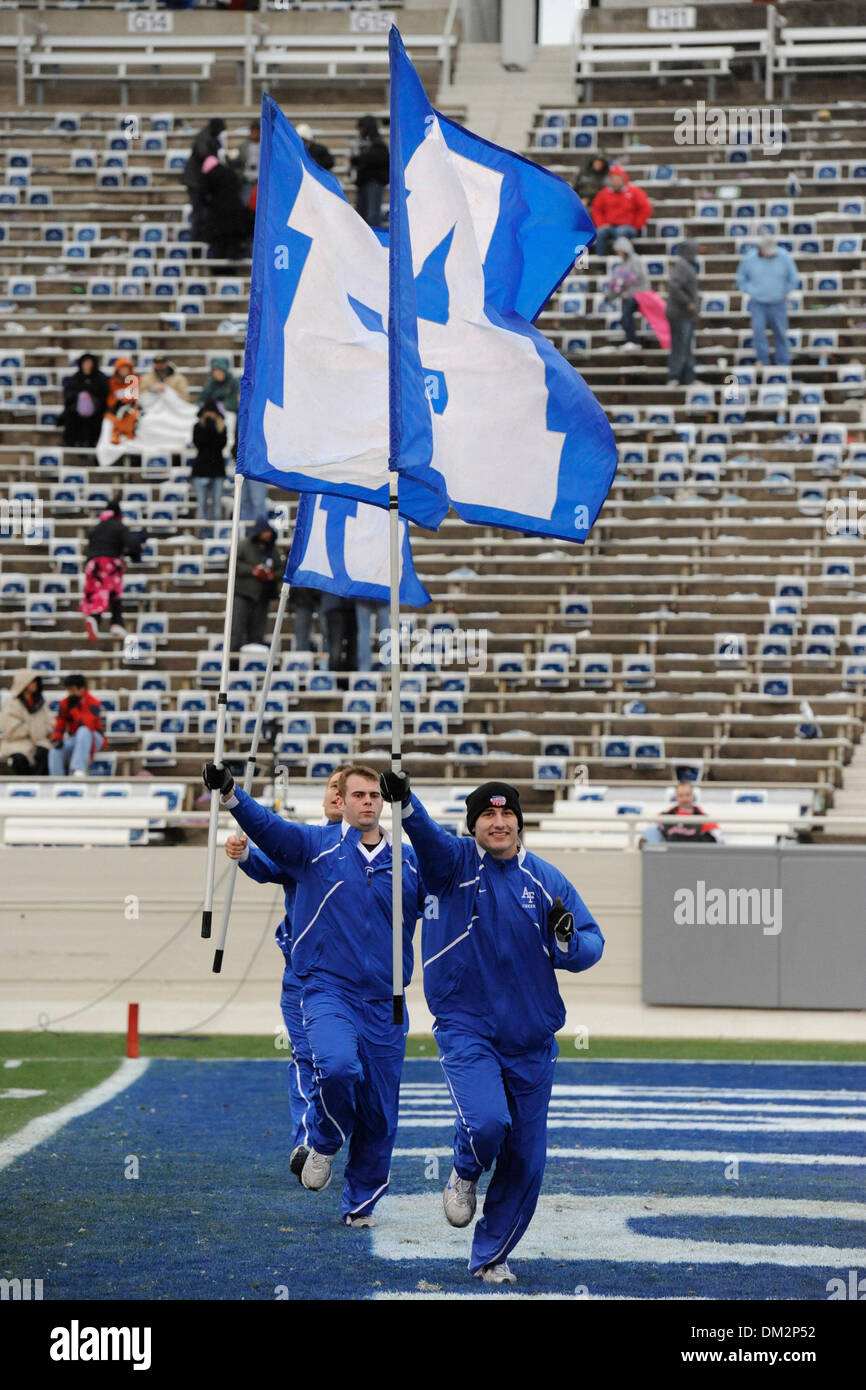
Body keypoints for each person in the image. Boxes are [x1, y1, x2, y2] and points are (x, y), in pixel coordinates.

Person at [379, 772, 604, 1285]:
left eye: (506, 815)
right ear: (474, 826)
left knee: (527, 1162)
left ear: (520, 825)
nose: (498, 823)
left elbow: (591, 942)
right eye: (487, 815)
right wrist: (407, 802)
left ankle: (491, 1256)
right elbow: (429, 841)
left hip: (532, 1039)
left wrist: (569, 943)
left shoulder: (547, 879)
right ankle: (463, 1171)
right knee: (485, 1124)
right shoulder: (451, 863)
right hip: (467, 1028)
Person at [202, 761, 426, 1226]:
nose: (368, 802)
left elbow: (451, 885)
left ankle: (361, 1201)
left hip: (388, 1000)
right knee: (336, 1066)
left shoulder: (408, 860)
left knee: (380, 1112)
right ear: (341, 802)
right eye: (358, 795)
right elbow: (271, 832)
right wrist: (230, 795)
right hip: (327, 988)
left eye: (374, 796)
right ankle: (323, 1142)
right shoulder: (314, 846)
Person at [223, 766, 350, 1178]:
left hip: (360, 982)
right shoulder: (305, 844)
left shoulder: (378, 848)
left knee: (348, 1069)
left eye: (347, 788)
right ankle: (307, 1142)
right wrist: (244, 855)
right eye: (333, 786)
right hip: (304, 975)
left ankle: (344, 1143)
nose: (339, 793)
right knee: (305, 1058)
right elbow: (268, 863)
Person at [79, 499, 144, 641]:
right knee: (114, 594)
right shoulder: (119, 526)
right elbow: (132, 544)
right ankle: (116, 623)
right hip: (109, 564)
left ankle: (95, 619)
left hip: (92, 565)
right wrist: (134, 553)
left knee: (98, 594)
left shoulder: (97, 528)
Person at [736, 235, 801, 367]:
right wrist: (750, 290)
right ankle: (762, 361)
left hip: (778, 302)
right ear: (760, 249)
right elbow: (741, 278)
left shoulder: (784, 257)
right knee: (758, 332)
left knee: (780, 333)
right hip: (758, 303)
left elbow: (793, 277)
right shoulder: (750, 259)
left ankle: (783, 362)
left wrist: (785, 291)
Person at [230, 516, 281, 651]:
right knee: (237, 630)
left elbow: (280, 569)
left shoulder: (272, 549)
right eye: (265, 531)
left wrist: (272, 575)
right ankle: (233, 663)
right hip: (243, 593)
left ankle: (253, 663)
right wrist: (252, 571)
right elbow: (231, 564)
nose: (268, 534)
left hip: (262, 597)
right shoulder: (243, 545)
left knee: (257, 633)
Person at [48, 674, 105, 778]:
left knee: (83, 731)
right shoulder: (65, 703)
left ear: (82, 689)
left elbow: (88, 725)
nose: (70, 693)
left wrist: (74, 710)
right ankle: (56, 780)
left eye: (73, 690)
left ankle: (78, 770)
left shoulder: (93, 702)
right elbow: (60, 722)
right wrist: (57, 738)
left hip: (94, 737)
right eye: (68, 690)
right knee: (55, 751)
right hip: (75, 738)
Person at [589, 165, 652, 258]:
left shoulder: (634, 192)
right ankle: (600, 261)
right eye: (613, 179)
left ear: (623, 179)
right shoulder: (604, 193)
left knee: (620, 232)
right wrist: (601, 223)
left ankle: (620, 261)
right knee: (600, 232)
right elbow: (596, 209)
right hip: (609, 226)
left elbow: (645, 208)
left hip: (628, 227)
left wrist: (636, 225)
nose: (615, 181)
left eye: (618, 179)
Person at [200, 154, 253, 262]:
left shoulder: (210, 176)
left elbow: (202, 195)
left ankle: (219, 271)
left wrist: (208, 204)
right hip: (234, 213)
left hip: (218, 216)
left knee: (219, 246)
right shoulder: (230, 173)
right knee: (232, 244)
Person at [182, 117, 226, 242]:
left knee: (203, 212)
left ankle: (201, 238)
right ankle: (196, 241)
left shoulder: (210, 137)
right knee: (198, 212)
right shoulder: (204, 137)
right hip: (195, 181)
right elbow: (205, 156)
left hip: (201, 182)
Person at [0, 668, 52, 776]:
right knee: (19, 758)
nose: (35, 684)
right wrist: (31, 729)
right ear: (24, 683)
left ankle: (39, 786)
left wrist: (41, 732)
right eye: (32, 681)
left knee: (45, 753)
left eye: (36, 681)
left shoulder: (40, 703)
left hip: (39, 742)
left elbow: (49, 724)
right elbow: (10, 730)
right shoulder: (12, 704)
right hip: (17, 743)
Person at [601, 237, 649, 351]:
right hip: (630, 295)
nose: (618, 253)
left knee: (626, 316)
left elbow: (636, 277)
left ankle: (633, 341)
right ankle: (631, 341)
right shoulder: (623, 264)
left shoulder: (635, 260)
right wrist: (610, 296)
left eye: (619, 251)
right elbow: (619, 285)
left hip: (640, 294)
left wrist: (624, 279)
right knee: (625, 317)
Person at [642, 782, 724, 845]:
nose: (685, 799)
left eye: (687, 795)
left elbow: (719, 839)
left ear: (692, 796)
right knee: (651, 831)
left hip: (694, 856)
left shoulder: (703, 817)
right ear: (676, 797)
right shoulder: (666, 815)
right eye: (681, 795)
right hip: (669, 855)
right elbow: (650, 832)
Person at [666, 240, 700, 386]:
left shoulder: (686, 265)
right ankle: (673, 377)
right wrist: (688, 302)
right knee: (680, 347)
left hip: (687, 316)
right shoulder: (682, 265)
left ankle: (689, 378)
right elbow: (674, 286)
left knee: (686, 348)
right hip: (681, 315)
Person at [190, 401, 227, 538]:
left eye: (212, 412)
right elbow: (200, 444)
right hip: (201, 471)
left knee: (217, 505)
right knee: (202, 504)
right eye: (207, 412)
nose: (210, 415)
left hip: (217, 471)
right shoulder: (197, 427)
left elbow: (219, 445)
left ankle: (216, 534)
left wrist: (212, 427)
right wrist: (208, 427)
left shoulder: (222, 428)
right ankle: (202, 534)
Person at [60, 352, 110, 449]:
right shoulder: (75, 378)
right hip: (76, 410)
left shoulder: (101, 378)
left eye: (89, 363)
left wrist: (91, 400)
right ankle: (70, 440)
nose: (87, 366)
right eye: (85, 363)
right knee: (70, 415)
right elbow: (68, 395)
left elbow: (104, 395)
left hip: (97, 410)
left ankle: (94, 441)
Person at [350, 115, 389, 227]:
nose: (359, 131)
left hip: (373, 183)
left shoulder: (377, 143)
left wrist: (359, 159)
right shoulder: (364, 143)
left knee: (371, 215)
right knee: (361, 215)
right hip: (364, 182)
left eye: (361, 128)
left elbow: (380, 158)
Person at [104, 357, 140, 446]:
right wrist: (116, 404)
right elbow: (110, 399)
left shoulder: (135, 379)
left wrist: (125, 401)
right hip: (116, 409)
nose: (124, 370)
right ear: (117, 370)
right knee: (108, 419)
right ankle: (112, 438)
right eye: (122, 368)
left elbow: (135, 396)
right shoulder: (112, 383)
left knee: (132, 416)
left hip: (131, 408)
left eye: (126, 368)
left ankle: (129, 436)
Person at [233, 116, 261, 205]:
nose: (254, 133)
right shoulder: (244, 146)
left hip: (260, 180)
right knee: (244, 203)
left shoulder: (265, 146)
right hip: (248, 179)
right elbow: (239, 161)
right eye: (253, 131)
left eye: (257, 131)